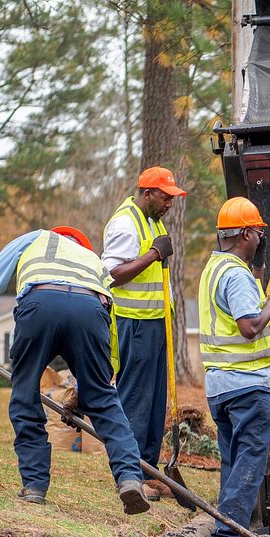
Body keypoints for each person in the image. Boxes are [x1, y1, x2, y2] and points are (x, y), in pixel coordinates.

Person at [0, 227, 149, 515]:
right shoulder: (93, 261)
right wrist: (87, 395)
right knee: (105, 400)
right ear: (81, 244)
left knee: (26, 394)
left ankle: (35, 485)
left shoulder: (37, 238)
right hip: (91, 310)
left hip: (42, 303)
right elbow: (107, 340)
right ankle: (129, 477)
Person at [199, 197, 270, 537]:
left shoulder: (213, 269)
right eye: (258, 233)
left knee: (234, 458)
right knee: (251, 454)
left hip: (221, 386)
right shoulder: (236, 274)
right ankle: (227, 536)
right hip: (245, 383)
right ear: (247, 233)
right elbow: (249, 326)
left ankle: (231, 527)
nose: (260, 240)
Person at [102, 166, 186, 501]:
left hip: (154, 323)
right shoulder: (125, 222)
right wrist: (153, 254)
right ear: (147, 193)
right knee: (135, 400)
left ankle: (148, 471)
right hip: (133, 324)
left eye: (172, 198)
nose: (169, 203)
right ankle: (130, 475)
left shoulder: (154, 221)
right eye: (165, 197)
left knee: (154, 402)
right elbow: (112, 273)